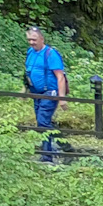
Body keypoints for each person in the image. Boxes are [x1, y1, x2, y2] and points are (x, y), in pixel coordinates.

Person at [23, 26, 69, 162]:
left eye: (34, 39)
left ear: (41, 39)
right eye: (29, 39)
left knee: (43, 122)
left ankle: (48, 155)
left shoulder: (51, 54)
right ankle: (55, 149)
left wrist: (61, 99)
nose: (31, 42)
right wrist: (24, 90)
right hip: (36, 93)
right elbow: (28, 73)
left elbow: (60, 76)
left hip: (50, 92)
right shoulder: (30, 52)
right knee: (42, 123)